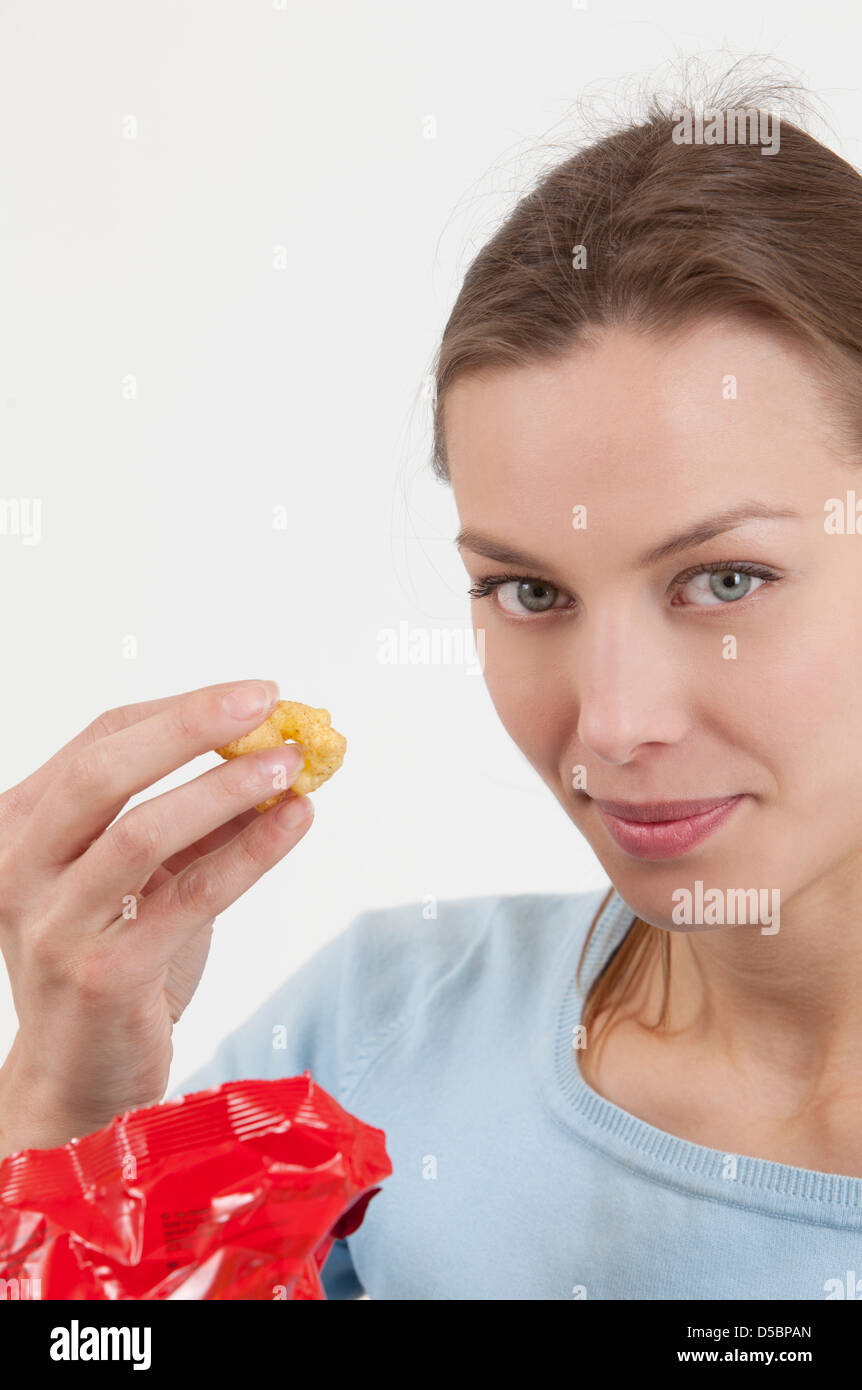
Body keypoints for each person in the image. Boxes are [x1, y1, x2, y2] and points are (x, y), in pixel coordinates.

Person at [3, 77, 862, 1300]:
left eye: (722, 578)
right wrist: (62, 1115)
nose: (612, 726)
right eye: (527, 592)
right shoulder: (368, 1040)